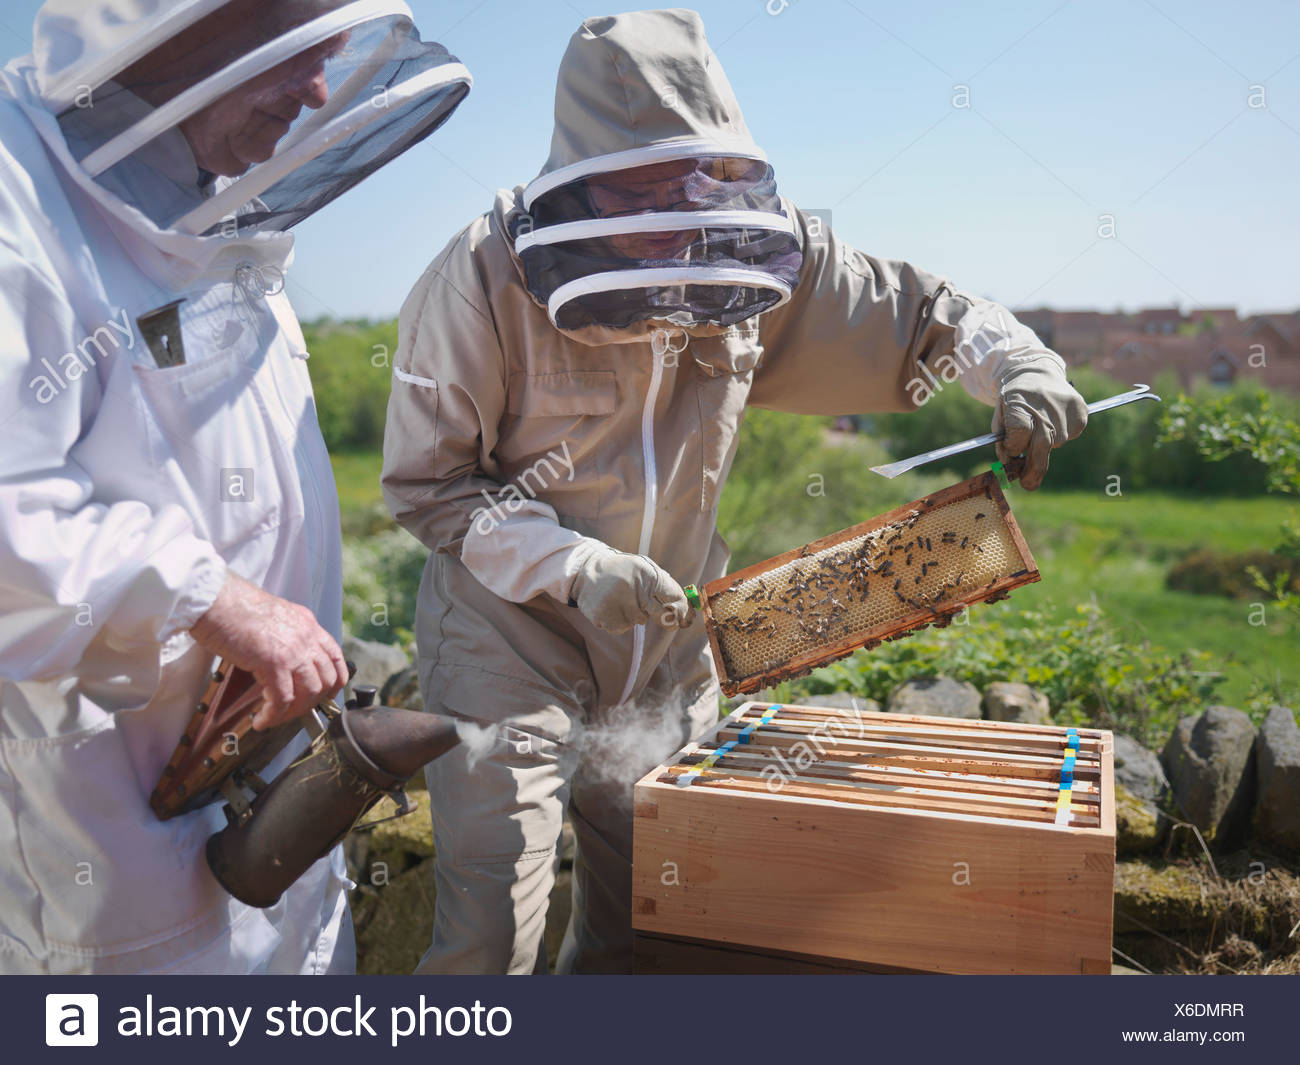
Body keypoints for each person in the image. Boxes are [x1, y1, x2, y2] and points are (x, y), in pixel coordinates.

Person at [381, 8, 1087, 975]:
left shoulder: (759, 250)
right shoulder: (479, 278)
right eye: (646, 197)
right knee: (491, 932)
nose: (674, 226)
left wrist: (1019, 368)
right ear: (588, 180)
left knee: (655, 915)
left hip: (669, 639)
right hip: (508, 642)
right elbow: (433, 488)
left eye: (692, 185)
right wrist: (572, 565)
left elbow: (919, 317)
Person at [0, 0, 470, 974]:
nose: (314, 93)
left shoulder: (200, 196)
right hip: (99, 828)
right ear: (178, 23)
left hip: (259, 802)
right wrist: (210, 596)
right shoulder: (16, 201)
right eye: (298, 53)